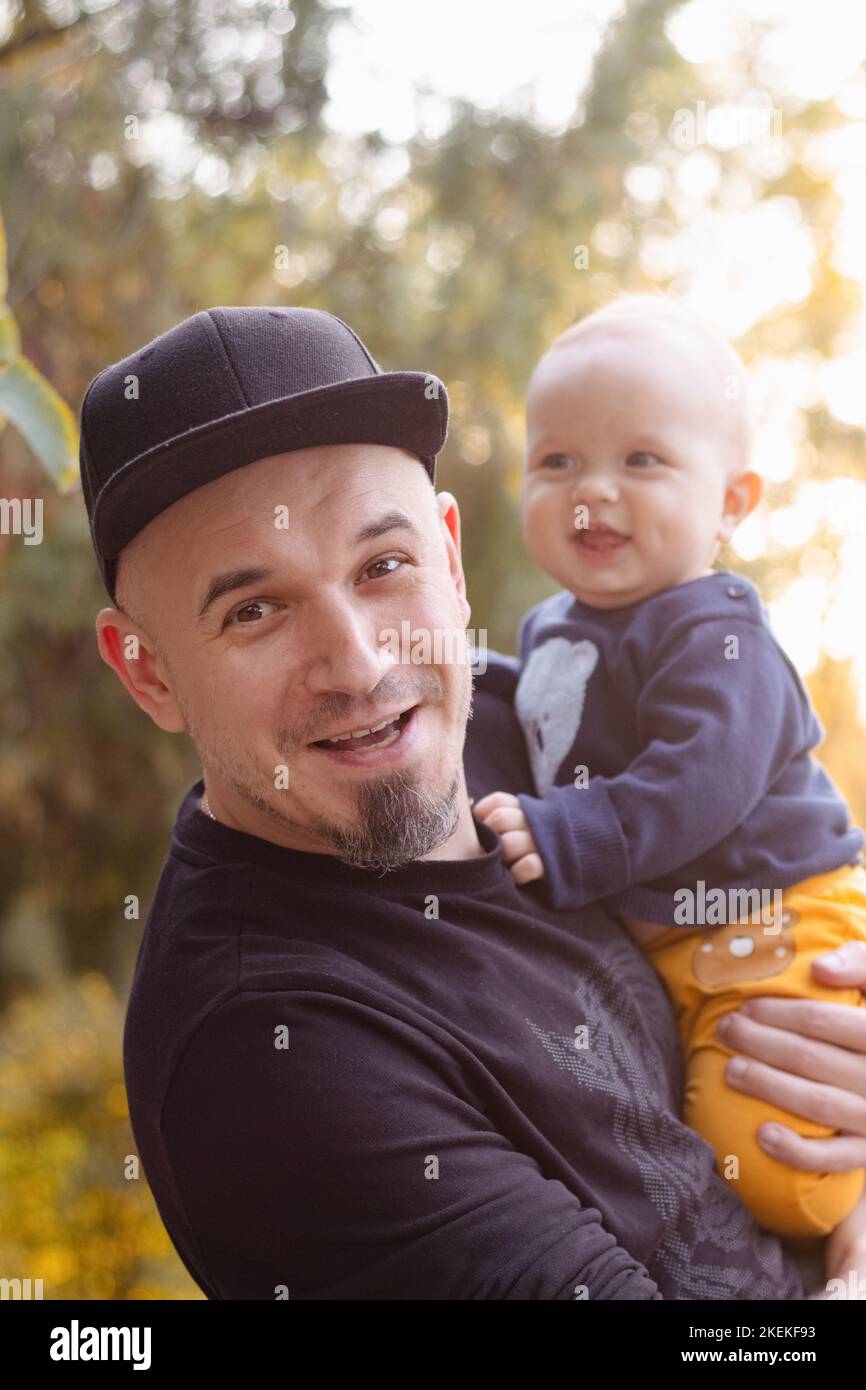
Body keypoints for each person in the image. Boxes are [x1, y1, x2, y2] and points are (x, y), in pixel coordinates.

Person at [80, 305, 866, 1299]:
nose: (361, 666)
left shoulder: (532, 713)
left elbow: (790, 845)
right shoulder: (267, 1053)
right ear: (146, 672)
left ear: (449, 562)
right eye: (255, 610)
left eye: (383, 566)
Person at [473, 293, 866, 1240]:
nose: (592, 490)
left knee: (778, 1170)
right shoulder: (553, 628)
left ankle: (839, 1240)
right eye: (556, 460)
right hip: (676, 941)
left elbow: (701, 782)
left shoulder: (718, 632)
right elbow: (545, 720)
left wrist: (575, 832)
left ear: (731, 503)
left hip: (774, 918)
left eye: (640, 460)